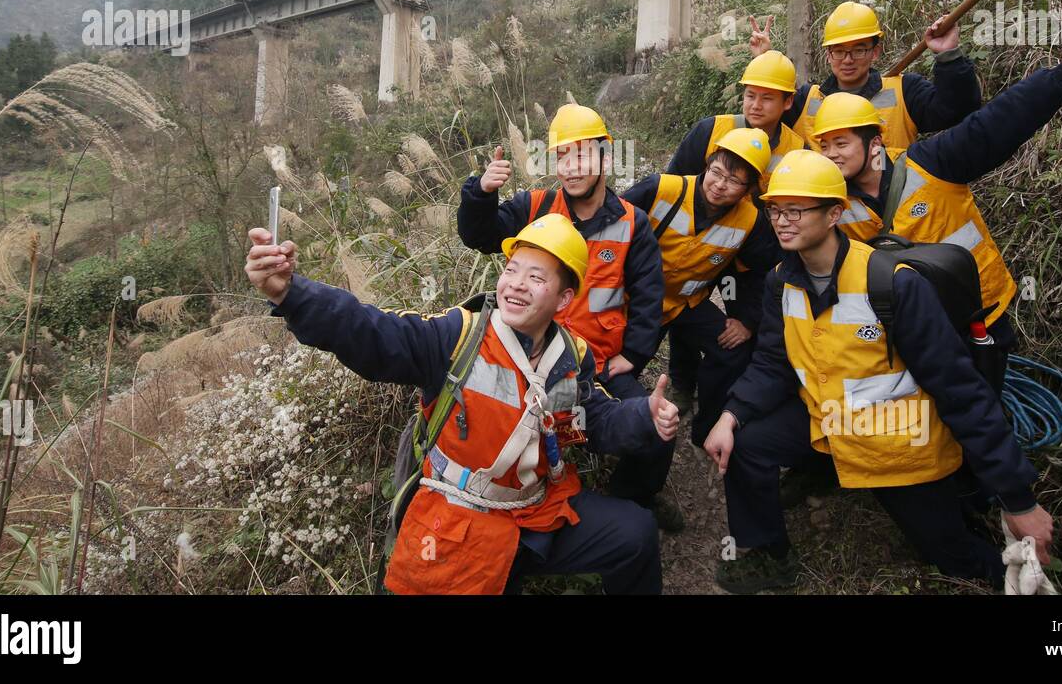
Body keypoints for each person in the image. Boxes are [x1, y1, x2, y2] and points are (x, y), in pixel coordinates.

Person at [245, 212, 678, 595]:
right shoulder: (460, 336)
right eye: (512, 269)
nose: (517, 285)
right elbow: (374, 333)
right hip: (458, 522)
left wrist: (643, 417)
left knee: (635, 533)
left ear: (564, 300)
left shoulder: (571, 357)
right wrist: (292, 294)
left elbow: (589, 420)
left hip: (536, 512)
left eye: (537, 277)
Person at [702, 149, 1053, 594]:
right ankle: (769, 554)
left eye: (795, 210)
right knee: (747, 445)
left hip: (900, 447)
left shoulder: (893, 283)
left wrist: (1018, 498)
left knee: (954, 558)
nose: (782, 220)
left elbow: (960, 390)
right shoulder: (781, 282)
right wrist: (730, 415)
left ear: (833, 214)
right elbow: (773, 361)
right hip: (830, 423)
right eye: (774, 209)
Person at [807, 3, 1062, 377]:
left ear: (874, 142)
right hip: (911, 322)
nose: (832, 155)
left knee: (983, 405)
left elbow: (1002, 119)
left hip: (976, 312)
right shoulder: (831, 203)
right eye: (825, 145)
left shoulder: (933, 162)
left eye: (842, 143)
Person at [457, 103, 682, 531]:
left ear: (605, 158)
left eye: (582, 155)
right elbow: (480, 236)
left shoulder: (633, 224)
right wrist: (481, 194)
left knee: (653, 427)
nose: (572, 167)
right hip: (533, 363)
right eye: (562, 156)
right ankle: (507, 509)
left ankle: (628, 502)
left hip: (597, 366)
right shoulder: (537, 208)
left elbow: (649, 296)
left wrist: (633, 355)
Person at [620, 127, 780, 442]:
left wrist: (747, 320)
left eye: (733, 181)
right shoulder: (662, 189)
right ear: (706, 166)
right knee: (621, 367)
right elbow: (608, 225)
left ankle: (708, 428)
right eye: (716, 172)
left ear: (749, 189)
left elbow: (761, 272)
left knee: (733, 349)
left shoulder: (750, 221)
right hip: (633, 301)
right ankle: (617, 425)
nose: (720, 185)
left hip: (684, 304)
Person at [745, 3, 982, 149]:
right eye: (839, 51)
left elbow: (958, 110)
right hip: (820, 224)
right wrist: (763, 61)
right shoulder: (804, 100)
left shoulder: (904, 91)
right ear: (828, 55)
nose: (847, 60)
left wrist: (948, 55)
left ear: (875, 51)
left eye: (858, 50)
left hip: (886, 219)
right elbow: (762, 115)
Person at [666, 50, 805, 193]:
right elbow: (673, 184)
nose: (756, 105)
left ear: (788, 102)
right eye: (750, 96)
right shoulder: (711, 130)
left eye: (767, 98)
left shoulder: (796, 149)